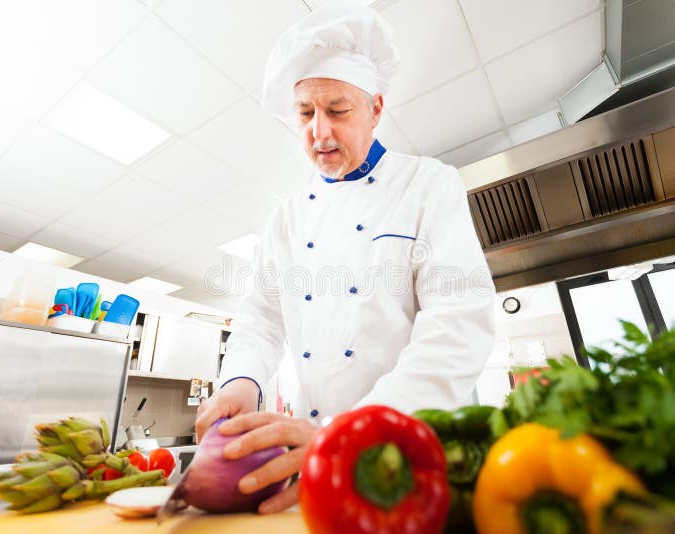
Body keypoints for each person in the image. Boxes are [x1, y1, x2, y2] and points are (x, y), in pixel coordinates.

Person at [195, 5, 495, 514]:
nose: (319, 132)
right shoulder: (287, 218)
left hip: (412, 454)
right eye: (305, 114)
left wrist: (353, 434)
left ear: (375, 109)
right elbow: (261, 320)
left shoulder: (428, 185)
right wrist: (241, 380)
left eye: (337, 110)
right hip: (319, 465)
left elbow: (458, 326)